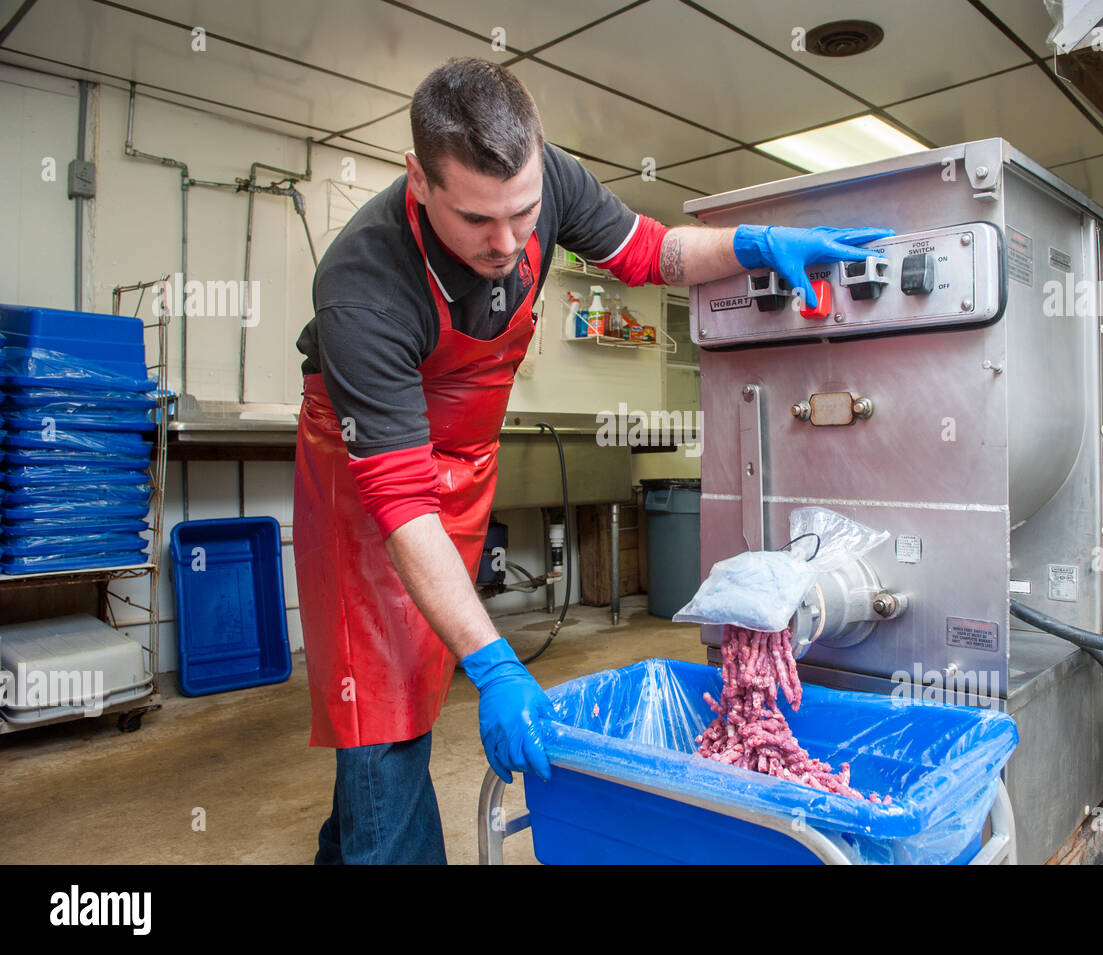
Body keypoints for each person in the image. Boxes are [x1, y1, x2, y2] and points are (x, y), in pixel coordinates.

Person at [293, 56, 892, 864]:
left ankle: (348, 842)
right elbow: (400, 504)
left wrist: (752, 244)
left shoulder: (554, 181)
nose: (507, 243)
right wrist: (499, 663)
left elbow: (651, 252)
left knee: (418, 674)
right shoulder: (363, 285)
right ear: (419, 181)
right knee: (383, 698)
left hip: (462, 462)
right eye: (476, 222)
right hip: (367, 478)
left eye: (523, 213)